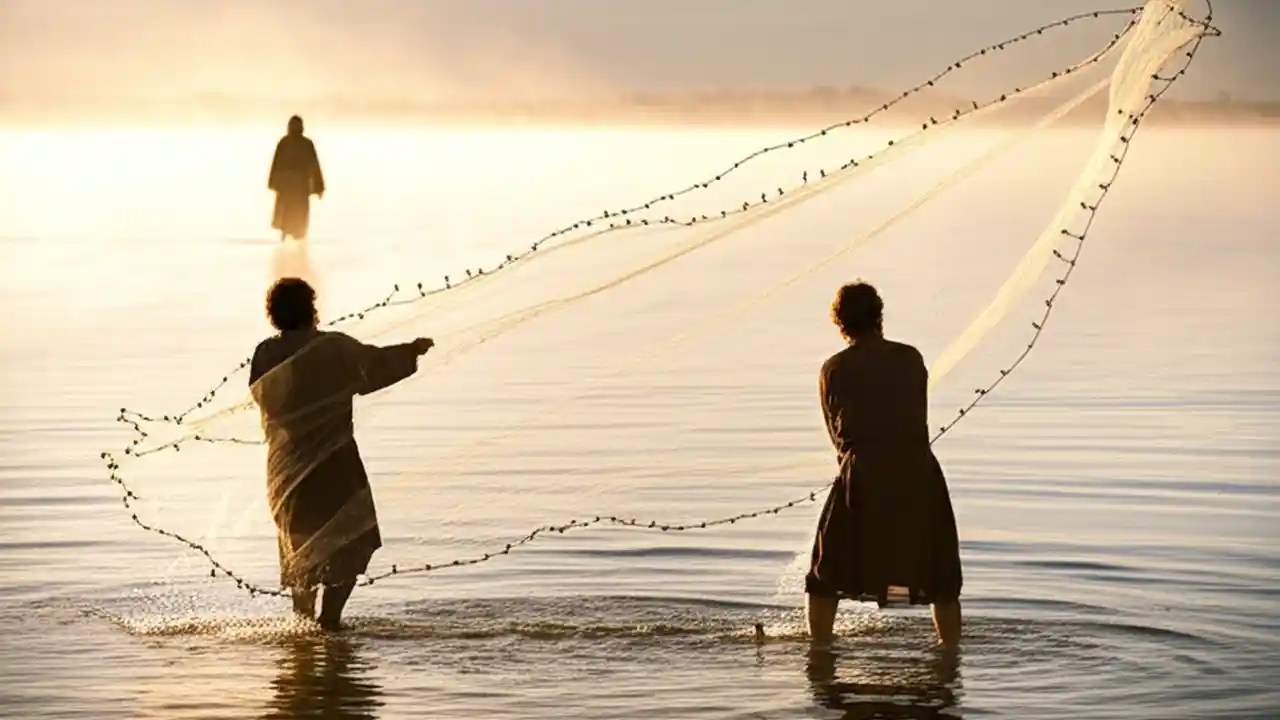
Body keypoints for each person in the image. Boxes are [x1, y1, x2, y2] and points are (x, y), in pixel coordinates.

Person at [248, 277, 433, 630]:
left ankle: (302, 623)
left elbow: (263, 398)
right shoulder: (332, 347)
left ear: (273, 314)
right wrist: (411, 350)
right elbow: (372, 366)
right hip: (335, 461)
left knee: (300, 545)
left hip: (286, 468)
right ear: (311, 308)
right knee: (352, 540)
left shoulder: (266, 352)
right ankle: (330, 619)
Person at [804, 281, 963, 647]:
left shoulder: (834, 368)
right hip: (919, 473)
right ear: (879, 315)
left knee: (826, 573)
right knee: (939, 575)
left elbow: (838, 434)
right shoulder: (910, 358)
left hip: (861, 473)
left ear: (841, 323)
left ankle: (821, 652)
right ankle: (950, 655)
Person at [268, 115, 325, 241]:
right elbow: (314, 166)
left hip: (291, 185)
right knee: (294, 213)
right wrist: (319, 186)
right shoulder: (301, 143)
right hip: (298, 185)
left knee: (289, 213)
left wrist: (273, 182)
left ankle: (291, 241)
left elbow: (276, 165)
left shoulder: (286, 142)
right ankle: (294, 242)